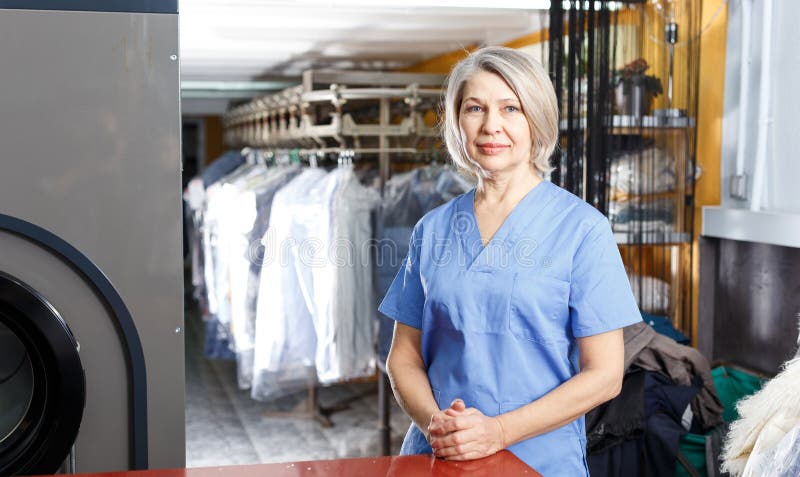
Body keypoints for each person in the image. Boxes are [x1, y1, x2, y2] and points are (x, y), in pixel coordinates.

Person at [378, 46, 642, 476]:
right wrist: (436, 424)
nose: (490, 126)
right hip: (436, 454)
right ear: (456, 121)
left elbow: (606, 374)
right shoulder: (433, 228)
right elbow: (403, 357)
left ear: (536, 119)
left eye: (510, 108)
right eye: (474, 108)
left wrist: (498, 431)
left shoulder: (582, 230)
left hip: (538, 460)